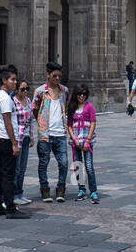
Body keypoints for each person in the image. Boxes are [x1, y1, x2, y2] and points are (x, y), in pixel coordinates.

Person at [0, 68, 29, 218]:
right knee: (8, 175)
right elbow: (8, 123)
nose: (15, 82)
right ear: (4, 81)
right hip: (6, 140)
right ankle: (10, 208)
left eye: (15, 79)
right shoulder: (6, 99)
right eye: (12, 79)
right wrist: (14, 143)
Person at [34, 62, 71, 201]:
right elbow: (35, 108)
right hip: (45, 134)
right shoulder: (40, 91)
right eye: (54, 75)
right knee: (44, 162)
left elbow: (65, 107)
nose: (57, 78)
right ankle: (45, 190)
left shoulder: (64, 91)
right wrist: (41, 124)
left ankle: (61, 189)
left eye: (59, 76)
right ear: (48, 75)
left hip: (61, 133)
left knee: (63, 162)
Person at [67, 85, 98, 203]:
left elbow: (93, 123)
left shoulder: (89, 107)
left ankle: (93, 191)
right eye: (80, 94)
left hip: (87, 141)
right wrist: (74, 139)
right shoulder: (72, 107)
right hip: (76, 141)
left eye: (84, 94)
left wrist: (88, 140)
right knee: (78, 165)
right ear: (76, 95)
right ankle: (81, 190)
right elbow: (69, 125)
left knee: (89, 166)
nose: (82, 96)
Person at [11, 79, 36, 207]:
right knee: (17, 168)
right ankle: (14, 195)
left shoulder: (28, 101)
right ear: (16, 90)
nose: (25, 91)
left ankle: (20, 193)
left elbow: (31, 120)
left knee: (23, 168)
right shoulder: (13, 102)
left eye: (27, 89)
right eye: (22, 89)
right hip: (17, 138)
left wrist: (32, 136)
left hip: (25, 137)